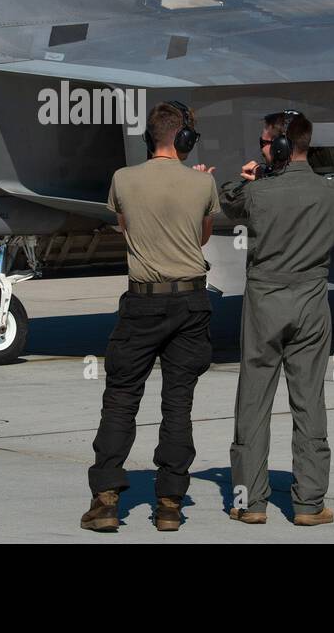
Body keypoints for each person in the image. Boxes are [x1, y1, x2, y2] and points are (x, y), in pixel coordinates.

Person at [82, 101, 220, 533]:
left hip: (142, 300)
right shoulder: (202, 186)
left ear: (149, 138)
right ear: (185, 140)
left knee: (121, 397)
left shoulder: (123, 179)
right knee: (178, 402)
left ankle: (105, 500)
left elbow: (126, 226)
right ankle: (169, 504)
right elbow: (199, 239)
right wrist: (193, 189)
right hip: (190, 302)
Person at [220, 112, 334, 527]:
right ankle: (309, 503)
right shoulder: (332, 193)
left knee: (253, 401)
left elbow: (228, 200)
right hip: (311, 300)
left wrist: (250, 177)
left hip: (265, 302)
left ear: (278, 147)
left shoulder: (258, 193)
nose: (260, 149)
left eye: (264, 143)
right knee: (309, 401)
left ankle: (249, 502)